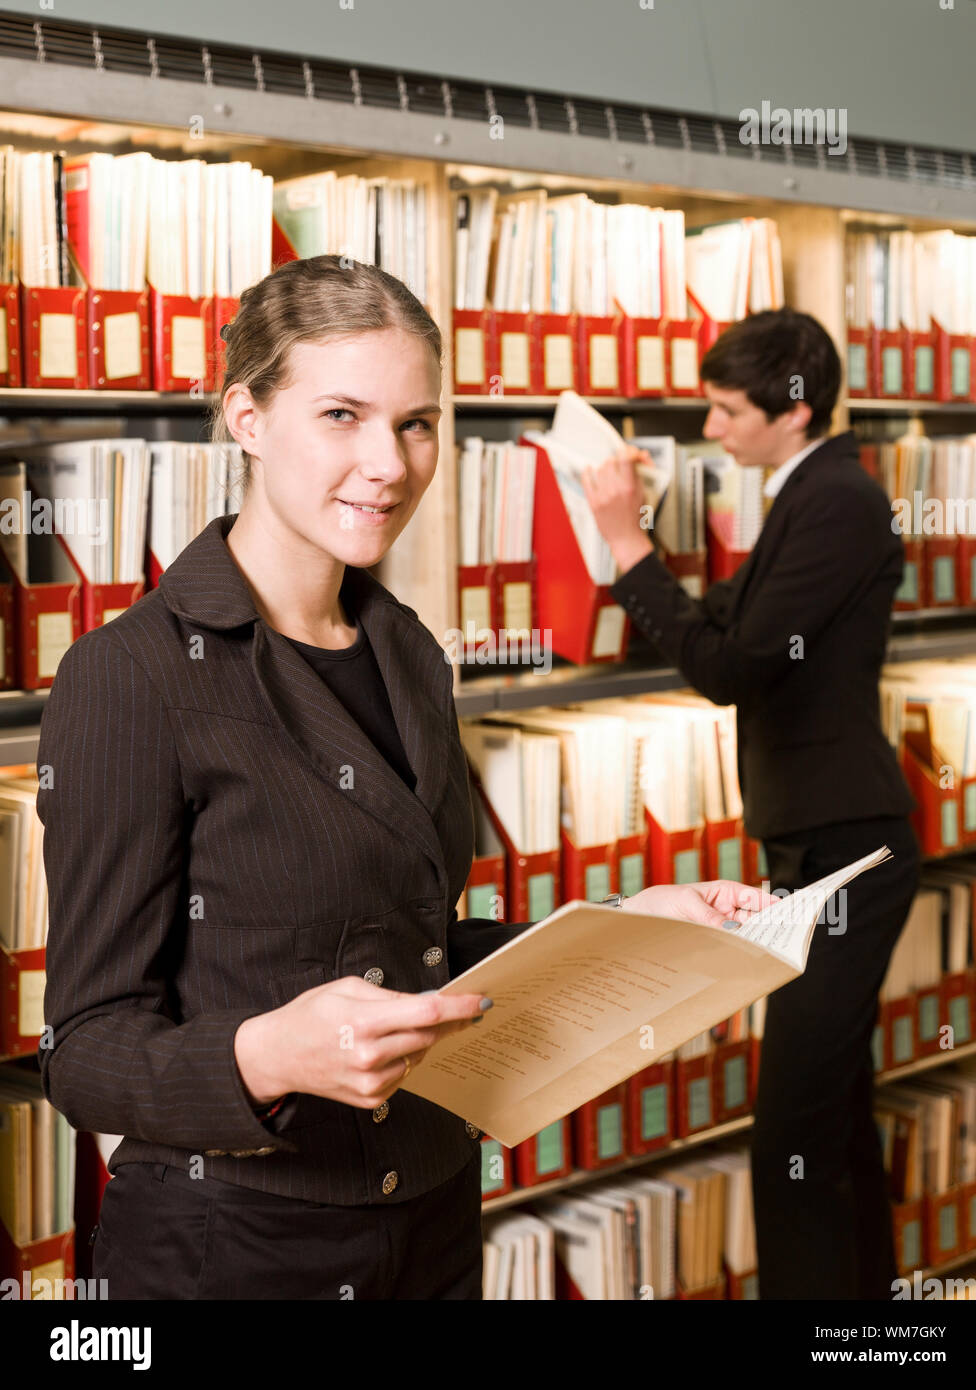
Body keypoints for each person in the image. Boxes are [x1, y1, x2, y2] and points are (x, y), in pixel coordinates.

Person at [36, 254, 771, 1301]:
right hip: (235, 1245)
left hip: (430, 1217)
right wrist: (266, 1054)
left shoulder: (411, 652)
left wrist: (630, 924)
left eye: (417, 422)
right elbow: (88, 1051)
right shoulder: (131, 674)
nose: (389, 462)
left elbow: (420, 950)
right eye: (343, 414)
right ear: (245, 417)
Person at [581, 307, 921, 1301]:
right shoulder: (809, 489)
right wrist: (646, 562)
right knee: (838, 1118)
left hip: (848, 856)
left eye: (728, 410)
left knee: (796, 1138)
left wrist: (623, 542)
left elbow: (731, 666)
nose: (712, 428)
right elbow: (733, 617)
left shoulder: (838, 501)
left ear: (794, 408)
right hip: (820, 846)